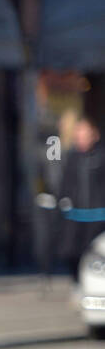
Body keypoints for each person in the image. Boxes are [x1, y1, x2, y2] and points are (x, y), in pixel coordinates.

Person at [56, 112, 105, 273]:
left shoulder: (101, 156)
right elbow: (65, 183)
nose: (81, 138)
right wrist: (62, 201)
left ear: (94, 135)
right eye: (78, 134)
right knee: (71, 252)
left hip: (98, 215)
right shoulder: (72, 158)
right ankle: (77, 282)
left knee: (96, 253)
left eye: (85, 134)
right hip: (76, 214)